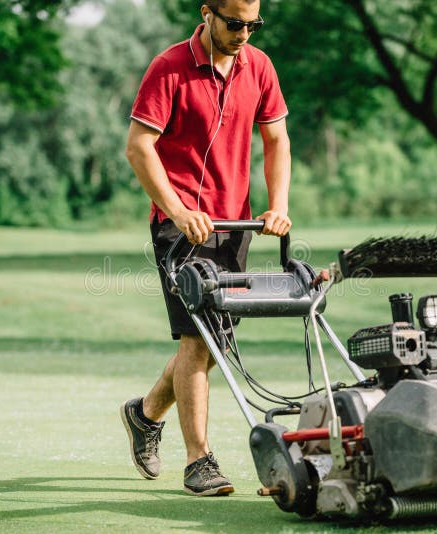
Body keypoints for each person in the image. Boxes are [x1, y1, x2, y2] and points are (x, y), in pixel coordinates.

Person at [120, 0, 291, 497]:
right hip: (180, 228)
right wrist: (176, 210)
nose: (244, 33)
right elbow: (138, 146)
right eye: (234, 23)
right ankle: (199, 461)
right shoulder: (169, 67)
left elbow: (276, 138)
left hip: (234, 225)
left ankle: (145, 413)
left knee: (217, 340)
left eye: (252, 24)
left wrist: (276, 205)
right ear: (207, 13)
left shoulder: (258, 66)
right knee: (198, 339)